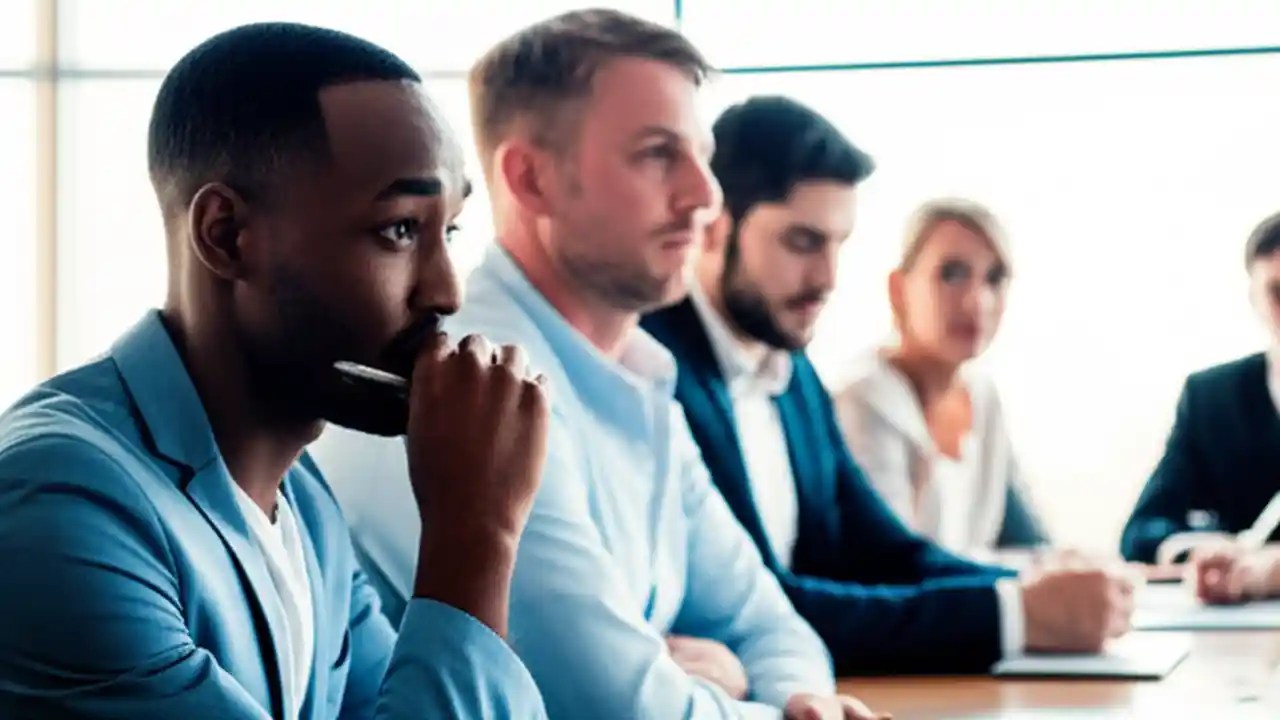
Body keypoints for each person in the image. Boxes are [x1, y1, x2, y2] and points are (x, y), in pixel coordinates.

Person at [311, 10, 886, 720]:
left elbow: (771, 624)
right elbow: (617, 708)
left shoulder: (642, 373)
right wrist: (725, 691)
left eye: (701, 156)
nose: (705, 196)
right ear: (530, 180)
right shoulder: (464, 389)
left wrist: (793, 698)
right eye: (657, 154)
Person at [0, 23, 551, 719]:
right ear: (226, 236)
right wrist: (476, 535)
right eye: (399, 229)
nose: (446, 291)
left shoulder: (304, 505)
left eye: (450, 231)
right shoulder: (61, 505)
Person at [642, 96, 1134, 675]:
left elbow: (880, 549)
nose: (828, 277)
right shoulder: (655, 369)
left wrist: (1035, 589)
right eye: (802, 242)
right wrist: (1012, 615)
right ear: (713, 229)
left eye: (839, 244)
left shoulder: (791, 371)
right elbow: (756, 608)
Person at [832, 198, 1048, 557]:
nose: (977, 301)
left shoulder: (982, 396)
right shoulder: (864, 398)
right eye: (952, 274)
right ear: (898, 289)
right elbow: (894, 562)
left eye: (995, 279)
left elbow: (1031, 540)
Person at [1121, 211, 1280, 564]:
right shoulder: (1212, 398)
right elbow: (1144, 529)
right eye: (1278, 292)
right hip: (1232, 593)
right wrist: (1197, 550)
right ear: (1253, 297)